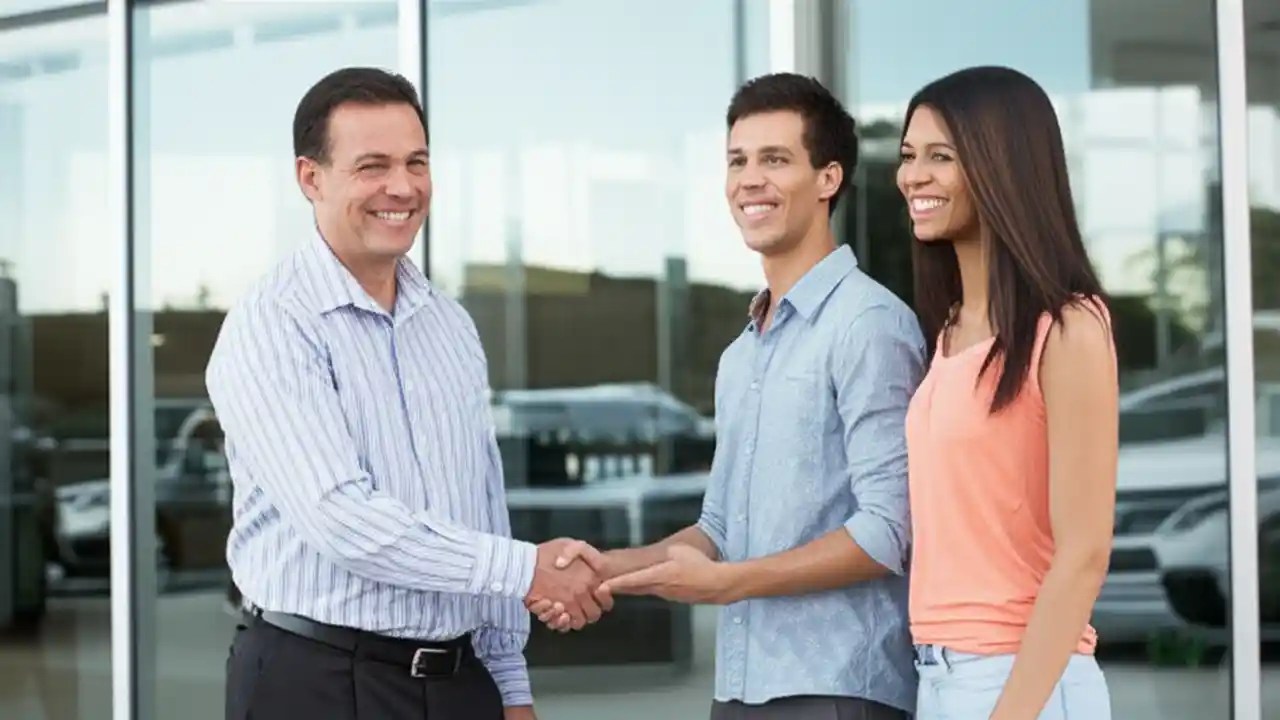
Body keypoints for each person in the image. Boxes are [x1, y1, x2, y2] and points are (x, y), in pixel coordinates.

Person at [206, 67, 607, 720]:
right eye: (373, 166)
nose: (403, 187)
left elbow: (481, 507)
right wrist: (526, 569)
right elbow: (342, 519)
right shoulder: (273, 324)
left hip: (458, 683)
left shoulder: (448, 325)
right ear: (311, 178)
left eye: (416, 162)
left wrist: (510, 683)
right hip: (316, 683)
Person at [530, 72, 925, 720]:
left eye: (775, 159)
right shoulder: (742, 355)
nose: (749, 180)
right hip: (741, 690)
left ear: (828, 178)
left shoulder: (868, 325)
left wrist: (728, 585)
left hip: (837, 691)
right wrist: (607, 568)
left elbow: (889, 531)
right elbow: (717, 530)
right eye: (738, 161)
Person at [896, 65, 1118, 719]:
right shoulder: (947, 331)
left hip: (1023, 682)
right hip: (940, 677)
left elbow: (1084, 554)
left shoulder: (1068, 328)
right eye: (908, 156)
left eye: (940, 157)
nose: (913, 176)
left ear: (1003, 166)